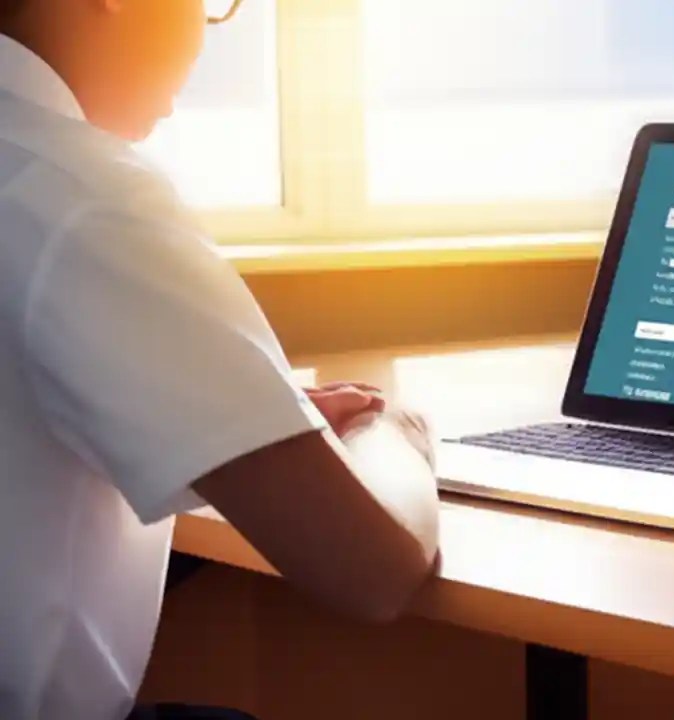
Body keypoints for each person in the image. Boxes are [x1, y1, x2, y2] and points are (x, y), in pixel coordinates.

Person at [0, 1, 442, 719]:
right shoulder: (82, 197)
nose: (207, 27)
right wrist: (395, 433)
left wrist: (254, 427)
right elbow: (373, 570)